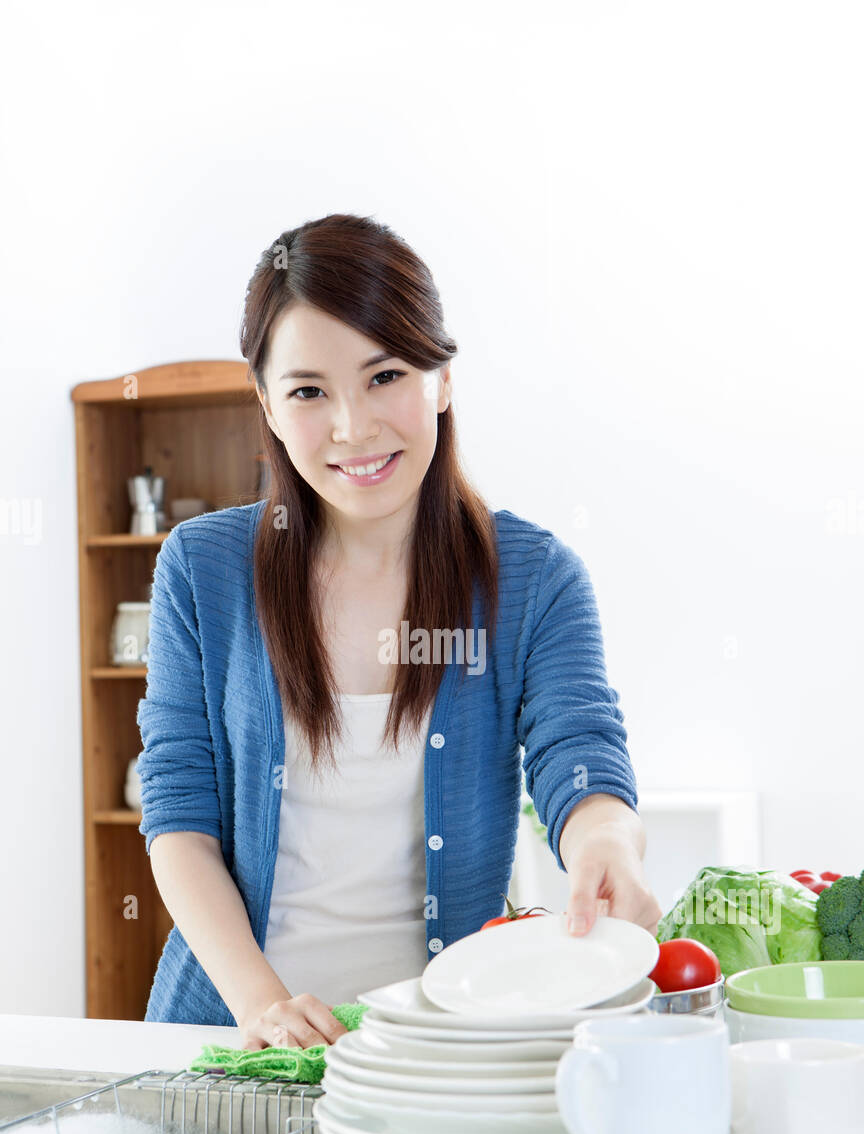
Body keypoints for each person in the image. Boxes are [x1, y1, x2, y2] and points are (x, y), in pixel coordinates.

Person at [137, 212, 662, 1049]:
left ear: (441, 377)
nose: (353, 427)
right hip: (233, 1040)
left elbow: (581, 753)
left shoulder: (533, 577)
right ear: (269, 406)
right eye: (309, 391)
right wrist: (265, 1007)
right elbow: (178, 822)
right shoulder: (202, 570)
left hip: (434, 1052)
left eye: (384, 376)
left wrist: (608, 843)